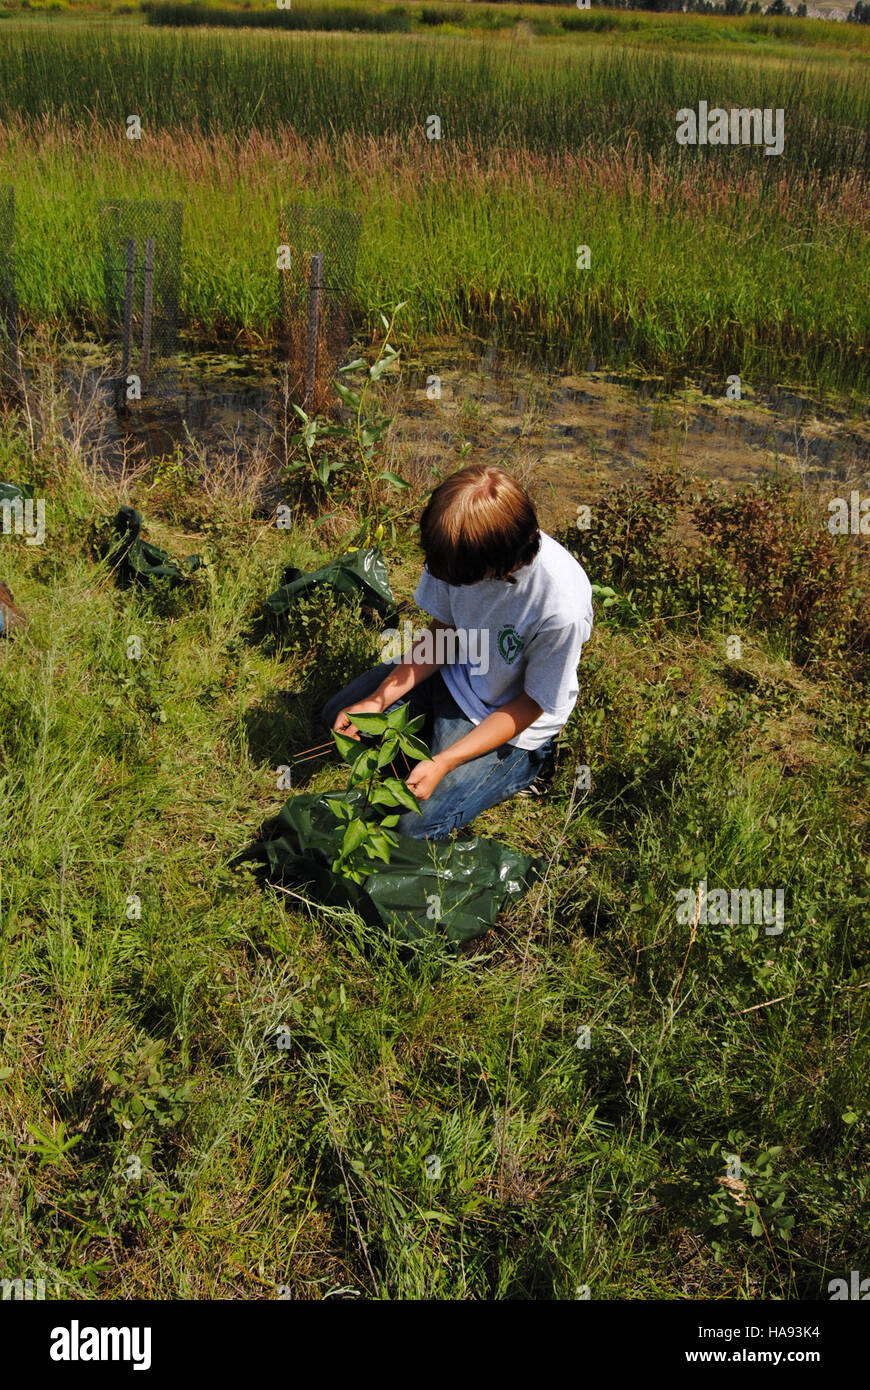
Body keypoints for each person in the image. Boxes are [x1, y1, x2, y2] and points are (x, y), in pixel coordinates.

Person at [321, 465, 593, 840]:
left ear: (501, 567)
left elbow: (532, 704)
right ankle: (426, 738)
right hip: (453, 674)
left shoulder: (560, 609)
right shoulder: (455, 548)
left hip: (507, 718)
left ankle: (531, 766)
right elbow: (444, 633)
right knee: (339, 719)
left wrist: (445, 761)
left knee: (411, 825)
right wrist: (377, 700)